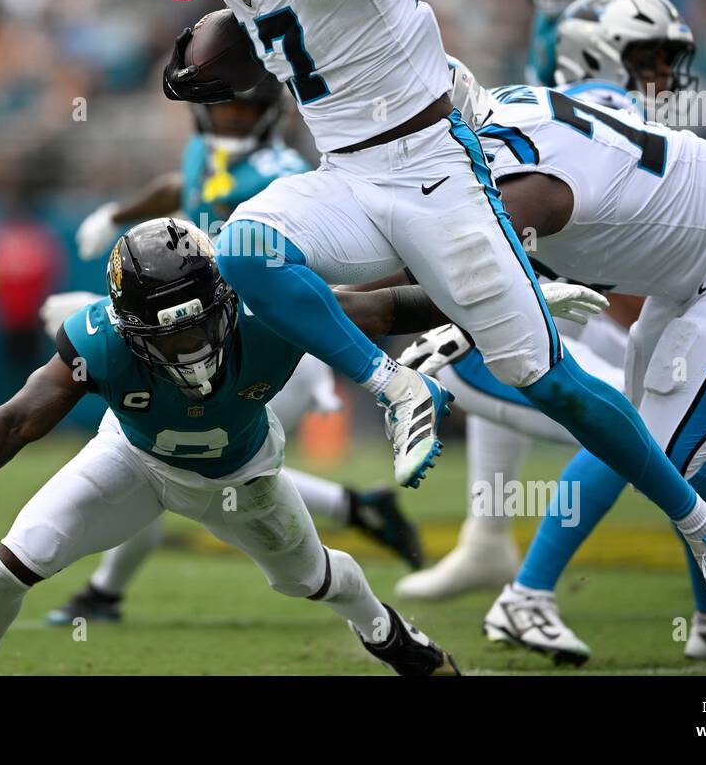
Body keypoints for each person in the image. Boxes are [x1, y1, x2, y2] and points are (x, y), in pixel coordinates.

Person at [136, 0, 706, 643]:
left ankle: (701, 526)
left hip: (435, 172)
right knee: (245, 252)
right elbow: (291, 30)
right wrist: (219, 58)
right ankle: (396, 386)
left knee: (548, 380)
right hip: (349, 176)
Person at [398, 0, 706, 675]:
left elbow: (469, 253)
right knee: (655, 451)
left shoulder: (523, 148)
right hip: (699, 268)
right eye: (648, 57)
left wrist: (419, 315)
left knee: (679, 460)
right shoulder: (536, 115)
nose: (661, 75)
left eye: (662, 59)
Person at [0, 218, 463, 675]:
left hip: (243, 477)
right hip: (132, 459)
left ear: (225, 301)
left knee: (313, 579)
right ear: (130, 330)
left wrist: (485, 298)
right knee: (4, 570)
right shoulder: (102, 343)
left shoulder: (268, 315)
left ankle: (386, 632)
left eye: (199, 325)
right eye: (169, 336)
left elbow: (383, 307)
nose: (190, 347)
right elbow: (17, 420)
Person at [39, 81, 422, 624]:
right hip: (199, 341)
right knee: (172, 454)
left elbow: (300, 277)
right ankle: (356, 508)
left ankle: (105, 594)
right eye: (220, 109)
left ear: (269, 114)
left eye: (242, 110)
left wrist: (319, 361)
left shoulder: (282, 173)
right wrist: (118, 214)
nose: (230, 120)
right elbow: (184, 188)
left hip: (261, 341)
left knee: (181, 457)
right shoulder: (205, 152)